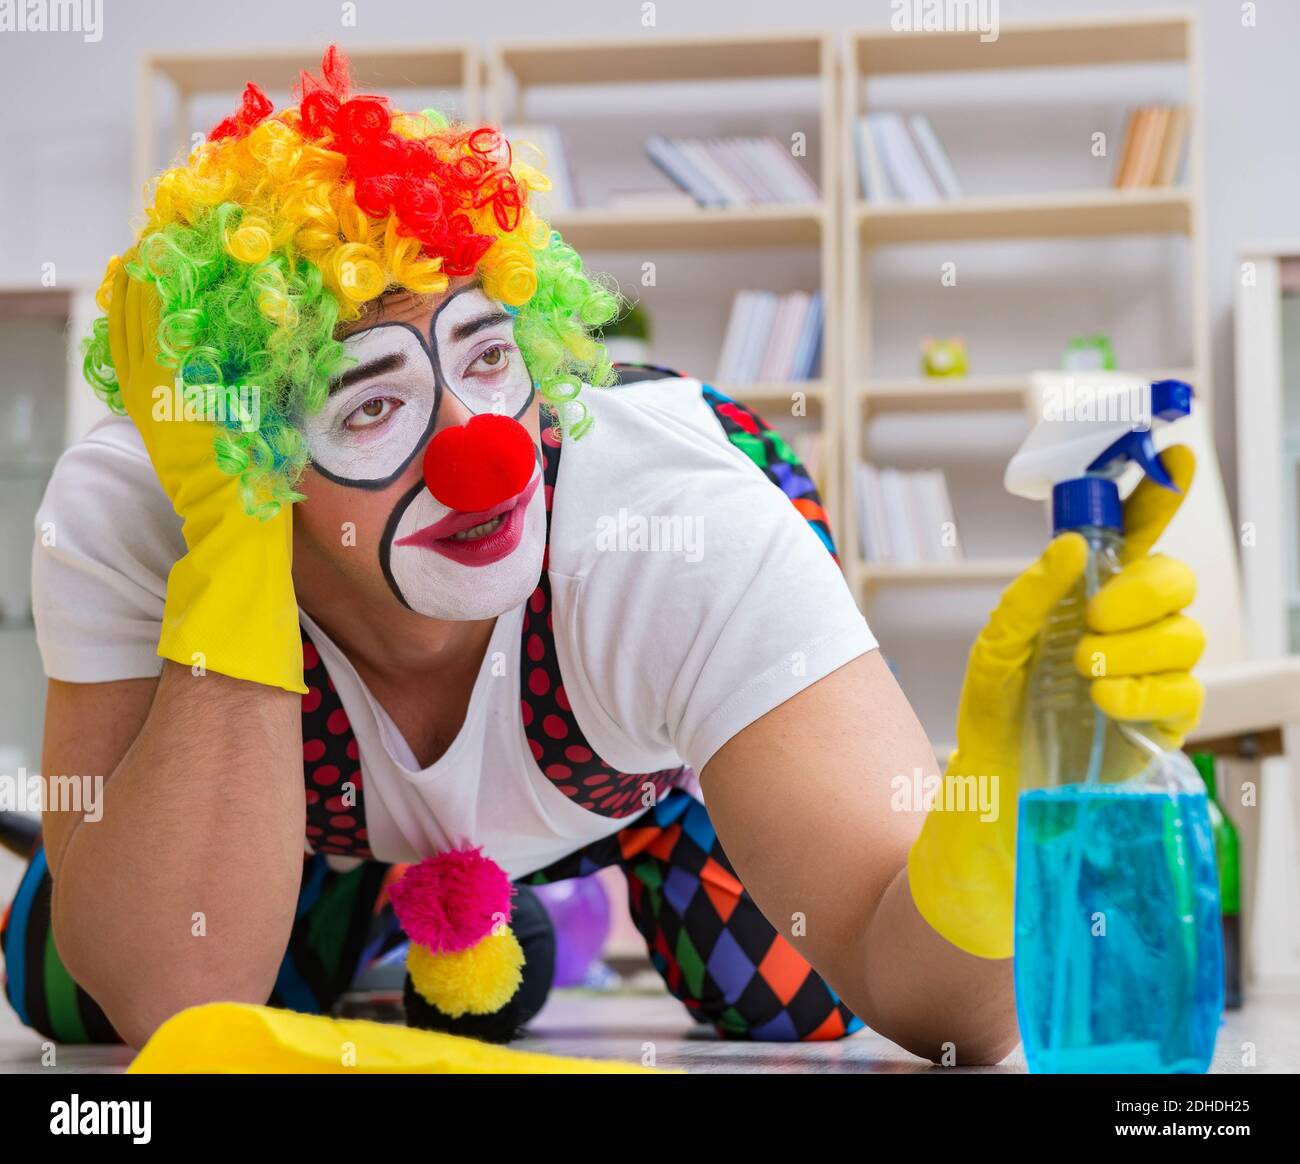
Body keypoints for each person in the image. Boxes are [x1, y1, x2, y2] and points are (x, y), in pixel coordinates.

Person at [1, 48, 1204, 1059]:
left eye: (487, 357)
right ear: (252, 449)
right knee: (67, 985)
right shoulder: (145, 505)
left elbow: (944, 1022)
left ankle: (649, 822)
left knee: (786, 1002)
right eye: (367, 409)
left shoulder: (673, 521)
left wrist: (1005, 812)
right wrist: (231, 539)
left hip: (623, 778)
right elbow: (171, 999)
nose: (487, 457)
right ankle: (422, 910)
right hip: (318, 819)